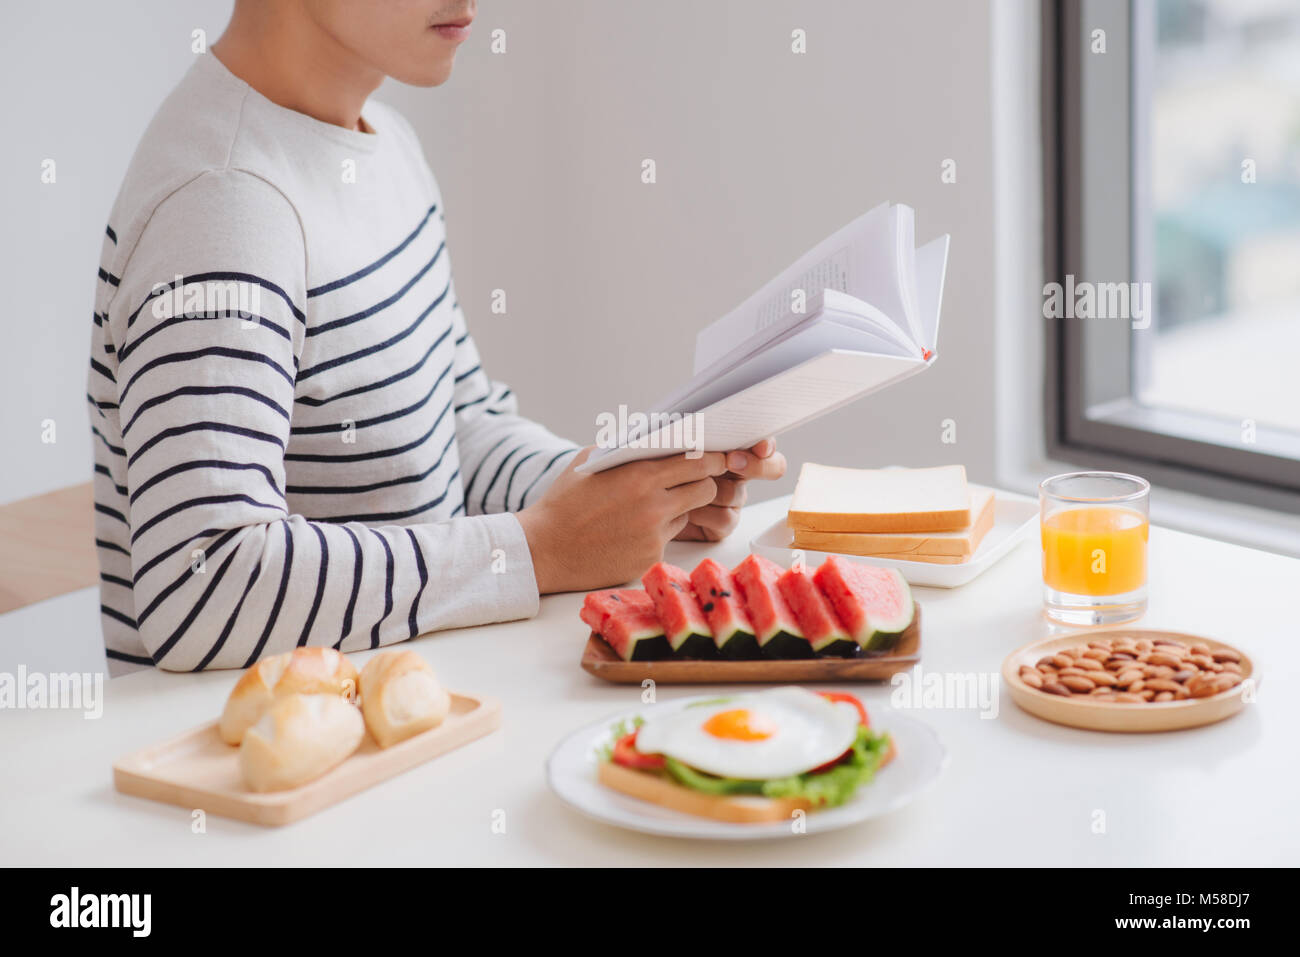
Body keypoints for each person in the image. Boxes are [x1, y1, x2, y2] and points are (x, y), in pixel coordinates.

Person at [87, 0, 785, 674]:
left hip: (406, 724)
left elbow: (456, 427)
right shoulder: (226, 204)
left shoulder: (383, 146)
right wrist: (535, 551)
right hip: (275, 775)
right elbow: (202, 588)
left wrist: (619, 497)